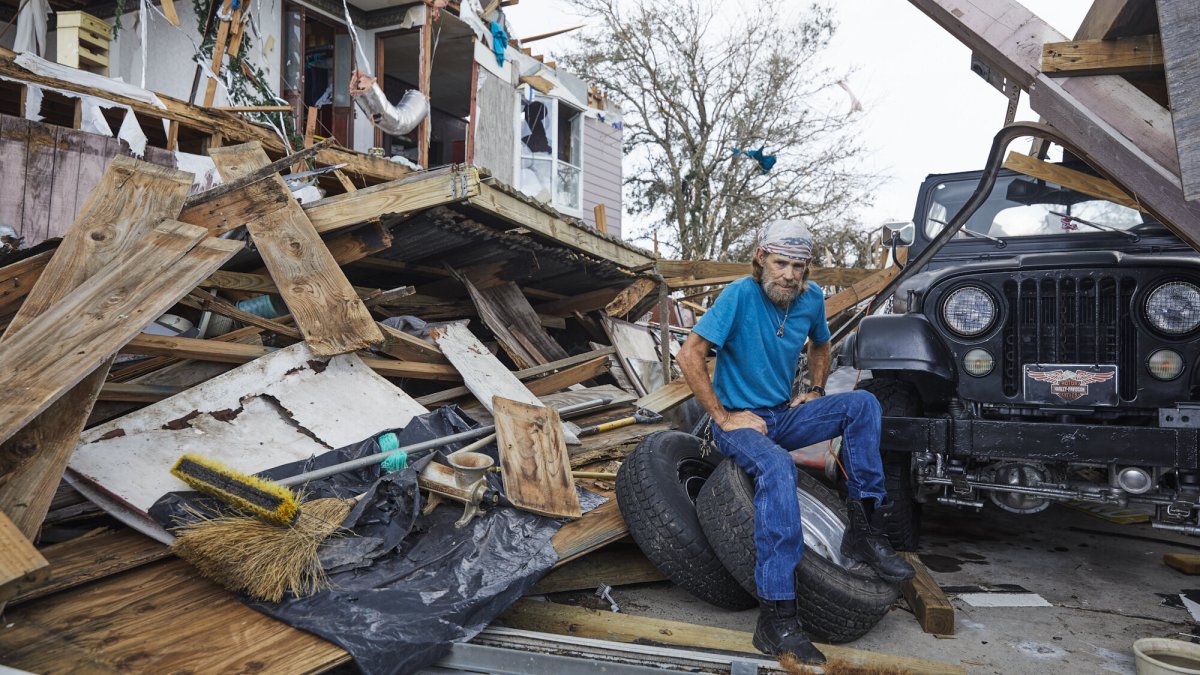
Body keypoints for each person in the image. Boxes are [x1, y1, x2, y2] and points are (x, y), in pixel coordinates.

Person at [677, 220, 915, 664]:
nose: (788, 274)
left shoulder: (809, 300)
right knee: (776, 468)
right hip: (740, 424)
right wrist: (723, 417)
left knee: (861, 405)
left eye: (798, 266)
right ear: (761, 258)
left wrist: (817, 388)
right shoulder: (738, 296)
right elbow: (688, 354)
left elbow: (820, 346)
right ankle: (777, 619)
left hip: (781, 415)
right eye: (780, 263)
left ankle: (863, 533)